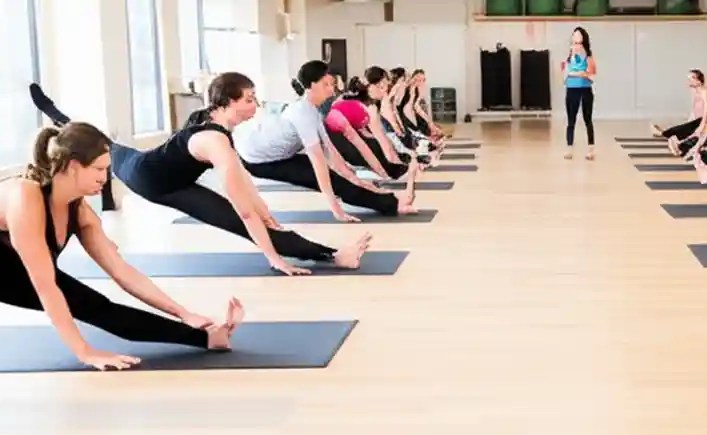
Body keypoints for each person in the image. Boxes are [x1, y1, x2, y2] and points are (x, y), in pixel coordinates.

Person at [0, 123, 244, 370]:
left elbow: (121, 271)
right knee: (75, 301)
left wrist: (186, 314)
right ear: (73, 166)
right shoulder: (24, 198)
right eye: (99, 169)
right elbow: (46, 286)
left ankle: (209, 339)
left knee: (96, 306)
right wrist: (85, 352)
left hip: (3, 268)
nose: (105, 179)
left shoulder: (80, 213)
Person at [28, 78, 369, 276]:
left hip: (174, 183)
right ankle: (54, 113)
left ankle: (331, 254)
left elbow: (248, 190)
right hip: (143, 175)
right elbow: (245, 212)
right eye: (249, 100)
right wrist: (274, 259)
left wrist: (267, 213)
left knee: (266, 223)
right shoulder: (215, 141)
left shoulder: (217, 128)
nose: (256, 105)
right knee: (97, 140)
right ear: (226, 103)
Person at [234, 60, 419, 219]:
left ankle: (390, 201)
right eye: (326, 85)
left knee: (342, 178)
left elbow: (331, 152)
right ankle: (392, 204)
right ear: (312, 85)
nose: (332, 91)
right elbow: (320, 166)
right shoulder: (304, 114)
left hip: (271, 151)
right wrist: (336, 209)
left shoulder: (312, 111)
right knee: (331, 180)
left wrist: (356, 178)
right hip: (258, 160)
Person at [326, 68, 414, 180]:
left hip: (334, 148)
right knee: (377, 144)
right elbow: (381, 139)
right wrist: (393, 165)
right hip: (343, 149)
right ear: (379, 85)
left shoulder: (350, 98)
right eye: (386, 87)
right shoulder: (369, 107)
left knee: (375, 141)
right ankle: (383, 169)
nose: (386, 92)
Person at [561, 26, 597, 160]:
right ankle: (569, 148)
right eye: (574, 39)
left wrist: (580, 74)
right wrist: (576, 74)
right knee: (571, 121)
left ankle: (591, 149)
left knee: (588, 119)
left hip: (585, 90)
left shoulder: (588, 56)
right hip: (571, 90)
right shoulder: (570, 57)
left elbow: (592, 75)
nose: (576, 44)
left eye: (578, 40)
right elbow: (565, 75)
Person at [650, 69, 706, 139]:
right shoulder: (695, 92)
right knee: (680, 128)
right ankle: (665, 132)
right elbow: (694, 110)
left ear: (698, 80)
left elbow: (706, 111)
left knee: (680, 129)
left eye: (690, 79)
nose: (688, 81)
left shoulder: (704, 93)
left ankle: (662, 133)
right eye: (688, 79)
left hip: (701, 121)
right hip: (696, 121)